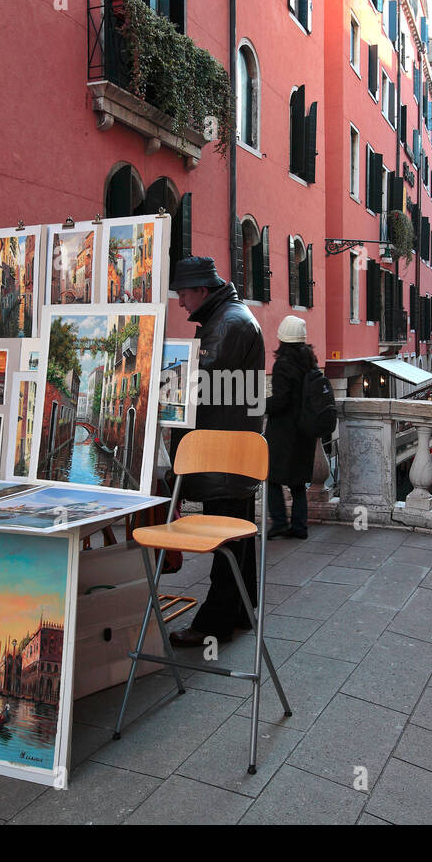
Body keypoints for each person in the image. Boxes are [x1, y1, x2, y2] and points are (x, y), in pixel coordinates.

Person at [165, 256, 265, 648]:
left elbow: (196, 385)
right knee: (236, 537)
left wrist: (159, 374)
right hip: (232, 451)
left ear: (203, 291)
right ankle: (241, 610)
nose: (181, 303)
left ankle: (214, 623)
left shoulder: (227, 324)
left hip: (222, 453)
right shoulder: (231, 317)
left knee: (222, 540)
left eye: (184, 294)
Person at [264, 315, 317, 540]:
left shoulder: (282, 365)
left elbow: (280, 401)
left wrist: (259, 403)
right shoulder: (310, 361)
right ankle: (299, 527)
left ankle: (279, 523)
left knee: (271, 478)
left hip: (284, 433)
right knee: (297, 484)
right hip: (304, 432)